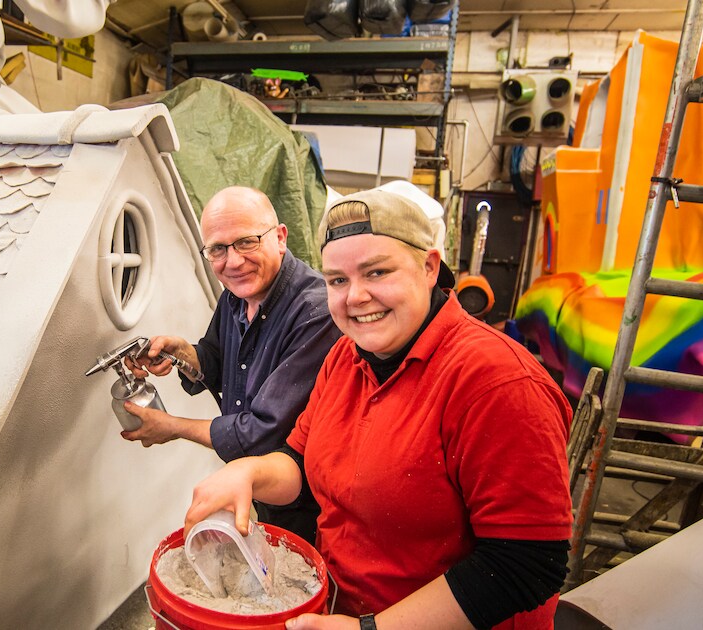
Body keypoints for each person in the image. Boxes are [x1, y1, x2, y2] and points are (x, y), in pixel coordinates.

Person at [184, 189, 573, 629]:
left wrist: (369, 629)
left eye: (377, 272)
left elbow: (526, 563)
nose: (355, 297)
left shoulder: (497, 382)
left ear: (428, 268)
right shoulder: (344, 359)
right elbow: (298, 462)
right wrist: (249, 474)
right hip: (340, 604)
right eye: (337, 280)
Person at [122, 186, 341, 544]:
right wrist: (181, 354)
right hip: (260, 494)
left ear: (281, 237)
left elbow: (263, 432)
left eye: (246, 242)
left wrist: (172, 427)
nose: (233, 261)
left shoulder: (316, 312)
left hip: (307, 506)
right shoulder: (236, 296)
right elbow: (215, 359)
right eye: (217, 249)